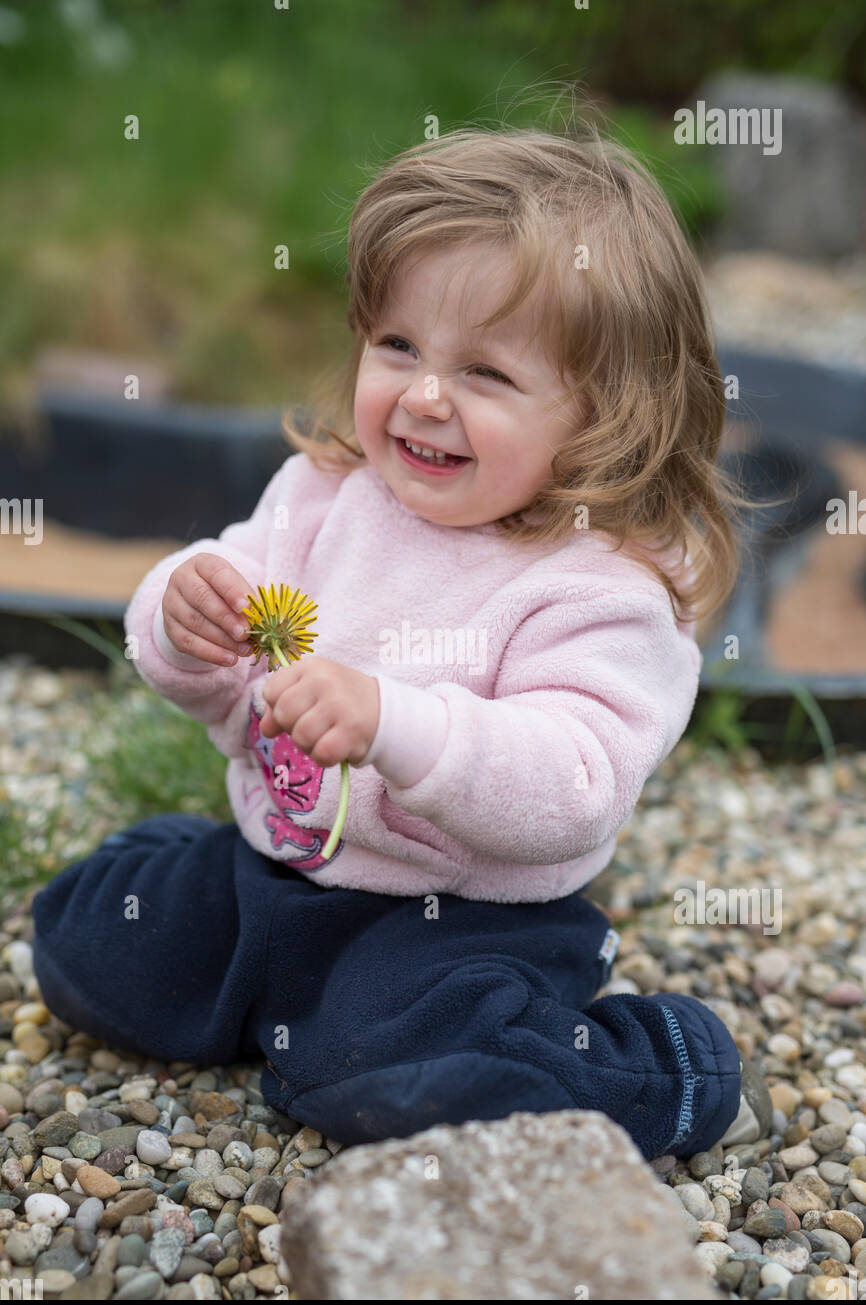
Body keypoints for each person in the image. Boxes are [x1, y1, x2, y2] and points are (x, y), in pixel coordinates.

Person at [32, 118, 770, 1161]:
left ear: (606, 415)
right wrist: (181, 618)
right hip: (279, 866)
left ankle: (662, 1062)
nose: (423, 393)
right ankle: (263, 984)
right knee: (91, 947)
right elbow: (231, 654)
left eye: (486, 373)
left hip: (458, 919)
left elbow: (572, 781)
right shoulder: (328, 494)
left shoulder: (596, 583)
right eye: (398, 346)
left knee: (404, 1064)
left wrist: (397, 724)